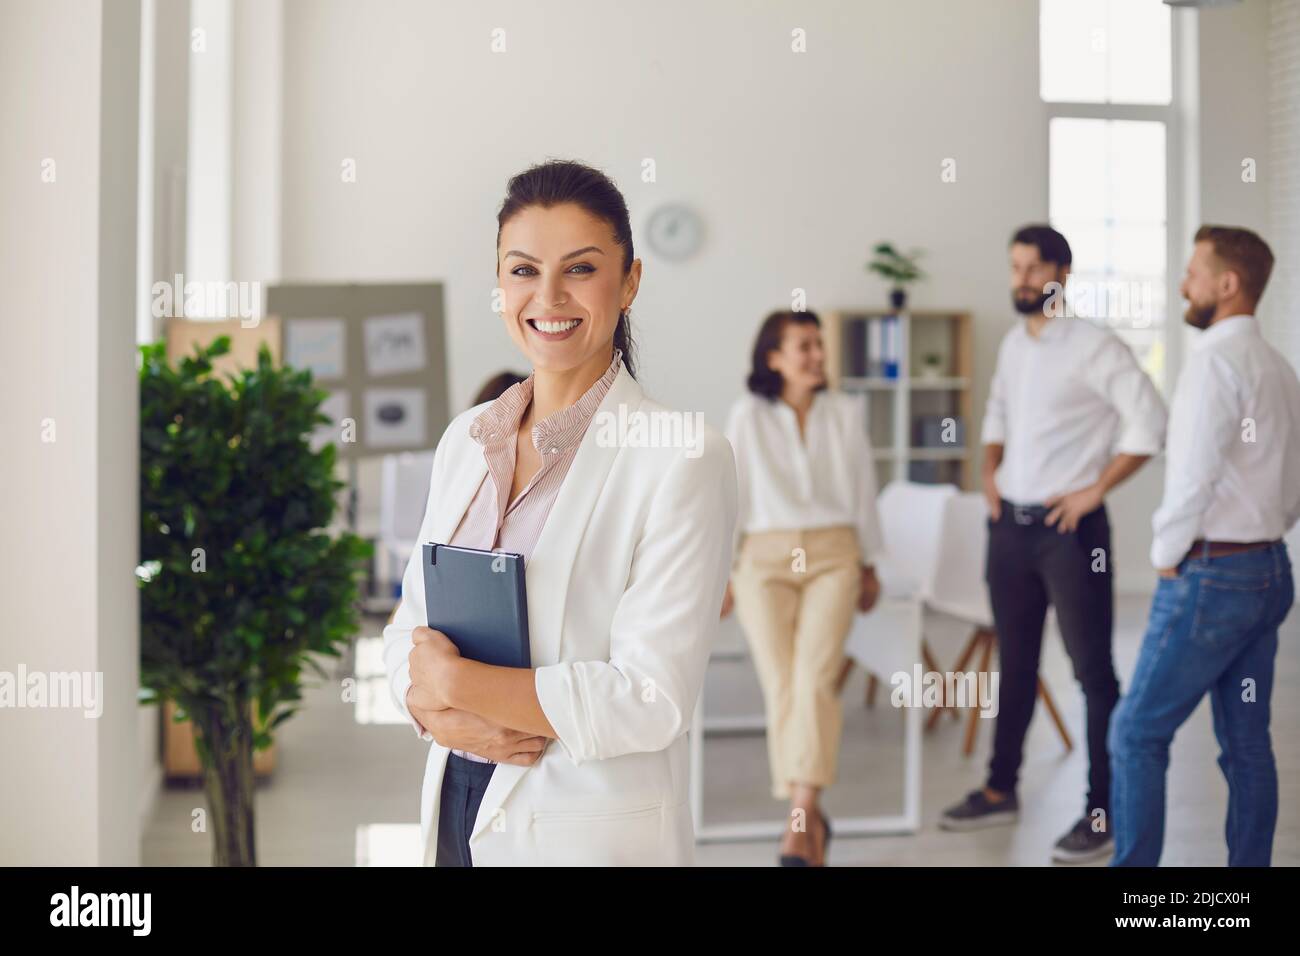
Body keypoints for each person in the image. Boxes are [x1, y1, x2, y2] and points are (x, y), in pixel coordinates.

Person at [381, 159, 737, 866]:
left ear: (630, 281)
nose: (548, 296)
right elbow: (407, 626)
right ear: (499, 283)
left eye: (580, 269)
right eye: (522, 270)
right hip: (457, 796)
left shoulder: (684, 456)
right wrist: (431, 709)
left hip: (583, 826)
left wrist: (460, 686)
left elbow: (650, 695)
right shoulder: (466, 439)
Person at [939, 224, 1167, 864]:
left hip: (1071, 535)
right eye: (1014, 266)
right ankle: (998, 787)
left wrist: (1095, 491)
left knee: (1092, 672)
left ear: (1063, 274)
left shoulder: (1096, 347)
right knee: (1015, 662)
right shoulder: (1015, 343)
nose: (1021, 279)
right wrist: (988, 472)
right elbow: (998, 414)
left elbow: (1152, 424)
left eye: (1034, 268)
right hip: (1008, 527)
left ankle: (1104, 810)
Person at [1109, 226, 1300, 867]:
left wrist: (1166, 553)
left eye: (1194, 270)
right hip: (1270, 569)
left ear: (1228, 283)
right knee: (1246, 742)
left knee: (1136, 732)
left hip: (1213, 576)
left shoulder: (1214, 363)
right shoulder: (1277, 367)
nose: (1183, 282)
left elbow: (1192, 475)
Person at [722, 309, 883, 866]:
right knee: (781, 683)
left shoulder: (845, 412)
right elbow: (731, 495)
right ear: (774, 358)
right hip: (762, 558)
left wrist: (870, 562)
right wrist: (723, 571)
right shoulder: (747, 416)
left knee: (815, 677)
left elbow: (864, 485)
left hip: (834, 554)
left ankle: (798, 820)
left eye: (819, 345)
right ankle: (812, 820)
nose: (817, 355)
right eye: (803, 346)